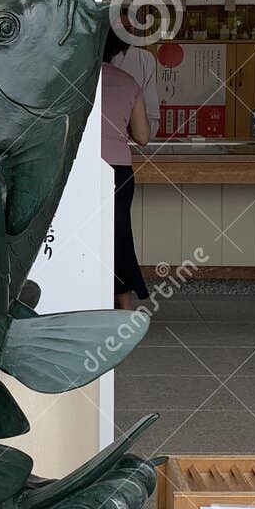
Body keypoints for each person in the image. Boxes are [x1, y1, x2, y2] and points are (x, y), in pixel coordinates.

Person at [101, 33, 151, 309]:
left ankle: (79, 299)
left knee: (80, 236)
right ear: (117, 51)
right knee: (118, 236)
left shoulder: (70, 82)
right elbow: (143, 137)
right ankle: (123, 305)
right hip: (118, 169)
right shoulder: (128, 82)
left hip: (77, 172)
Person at [115, 7, 161, 138]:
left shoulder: (145, 59)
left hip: (138, 136)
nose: (126, 32)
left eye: (129, 28)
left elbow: (151, 109)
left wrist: (143, 132)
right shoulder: (101, 58)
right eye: (121, 29)